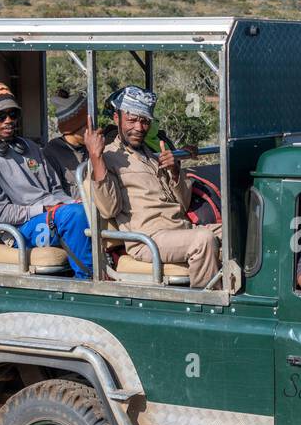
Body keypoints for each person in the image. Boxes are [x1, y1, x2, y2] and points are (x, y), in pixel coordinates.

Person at [91, 86, 220, 286]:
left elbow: (183, 205)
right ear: (117, 119)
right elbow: (108, 209)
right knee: (203, 240)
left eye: (144, 121)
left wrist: (175, 171)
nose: (139, 128)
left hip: (178, 229)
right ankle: (205, 304)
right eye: (131, 120)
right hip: (146, 240)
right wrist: (95, 157)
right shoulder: (108, 157)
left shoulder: (152, 156)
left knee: (233, 231)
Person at [0, 80, 95, 279]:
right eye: (0, 116)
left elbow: (55, 188)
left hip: (52, 212)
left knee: (91, 207)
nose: (8, 120)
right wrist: (45, 209)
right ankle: (88, 282)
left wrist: (70, 202)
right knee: (74, 216)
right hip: (19, 230)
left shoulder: (29, 146)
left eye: (13, 114)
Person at [42, 88, 90, 196]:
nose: (92, 129)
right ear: (74, 128)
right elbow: (54, 191)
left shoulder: (91, 147)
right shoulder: (52, 152)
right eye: (87, 125)